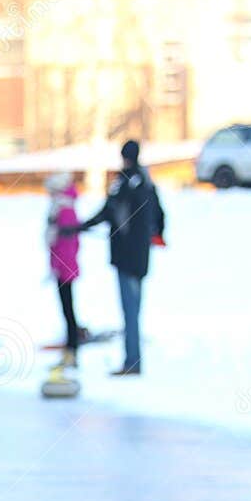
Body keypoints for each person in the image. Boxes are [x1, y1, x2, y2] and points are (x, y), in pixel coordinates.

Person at [79, 139, 166, 376]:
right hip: (142, 257)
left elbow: (109, 211)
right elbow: (160, 214)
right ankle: (133, 359)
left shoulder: (124, 182)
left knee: (129, 312)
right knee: (135, 311)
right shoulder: (147, 182)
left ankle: (132, 362)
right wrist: (158, 234)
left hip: (125, 256)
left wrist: (83, 225)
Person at [44, 172, 84, 366]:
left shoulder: (65, 210)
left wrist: (60, 267)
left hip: (65, 268)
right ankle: (70, 349)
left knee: (69, 310)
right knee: (66, 309)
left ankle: (72, 350)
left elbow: (68, 244)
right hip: (61, 266)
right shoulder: (58, 208)